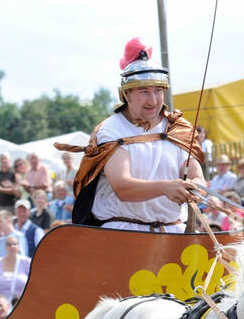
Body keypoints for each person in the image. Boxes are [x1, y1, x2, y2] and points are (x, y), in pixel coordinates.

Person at [57, 39, 205, 232]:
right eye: (144, 91)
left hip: (174, 233)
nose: (153, 100)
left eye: (158, 91)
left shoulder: (178, 129)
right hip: (123, 234)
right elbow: (123, 187)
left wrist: (195, 188)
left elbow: (197, 178)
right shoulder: (112, 130)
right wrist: (166, 187)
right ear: (126, 93)